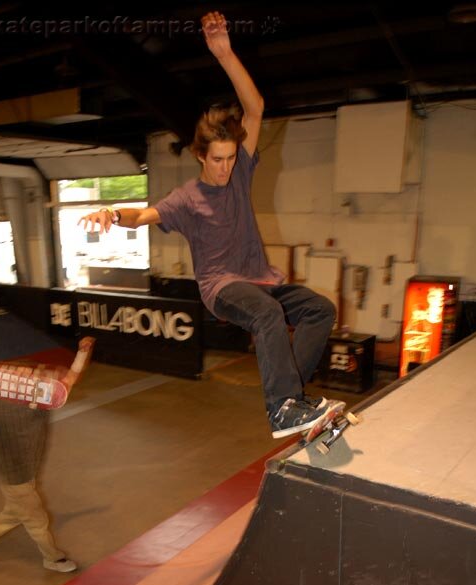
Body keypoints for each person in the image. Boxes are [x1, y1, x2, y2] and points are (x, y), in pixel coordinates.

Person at [79, 11, 337, 439]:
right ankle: (282, 409)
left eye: (231, 158)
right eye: (217, 160)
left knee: (318, 309)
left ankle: (295, 398)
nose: (225, 168)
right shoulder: (186, 199)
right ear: (201, 156)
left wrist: (225, 53)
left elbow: (254, 109)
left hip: (260, 281)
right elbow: (142, 216)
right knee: (268, 314)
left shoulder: (240, 172)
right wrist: (110, 212)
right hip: (222, 287)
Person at [0, 337, 95, 573]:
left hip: (26, 472)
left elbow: (70, 379)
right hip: (14, 477)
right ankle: (52, 558)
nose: (28, 377)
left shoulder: (42, 399)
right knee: (37, 520)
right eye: (21, 375)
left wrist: (82, 352)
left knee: (15, 513)